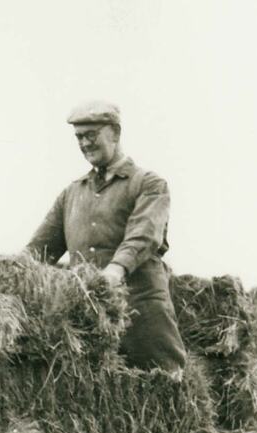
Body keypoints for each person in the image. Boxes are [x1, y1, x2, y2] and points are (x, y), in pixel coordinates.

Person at [26, 100, 187, 371]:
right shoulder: (72, 194)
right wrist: (10, 273)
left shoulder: (149, 184)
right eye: (79, 137)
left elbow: (144, 234)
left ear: (115, 133)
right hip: (90, 320)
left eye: (92, 135)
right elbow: (39, 249)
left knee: (163, 388)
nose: (85, 143)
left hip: (141, 313)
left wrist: (116, 269)